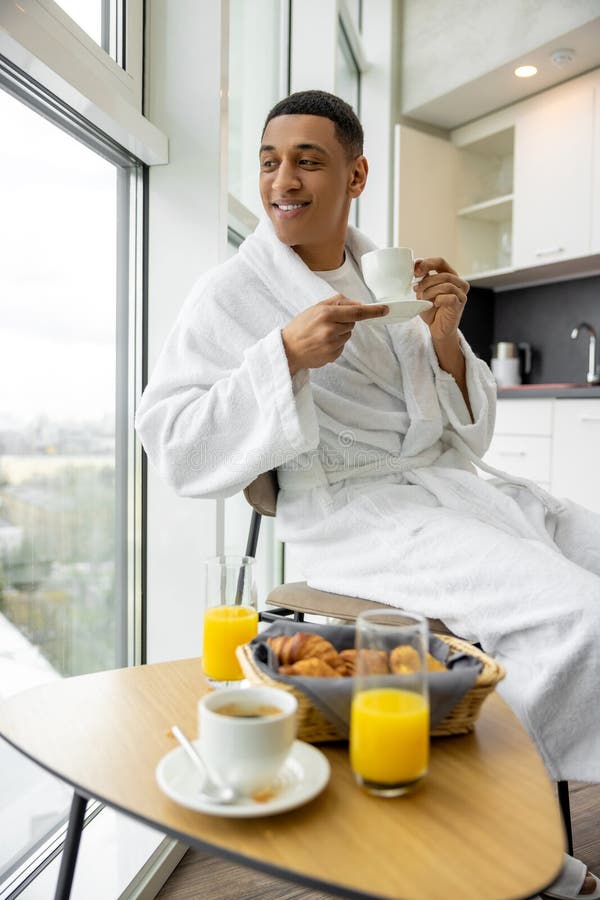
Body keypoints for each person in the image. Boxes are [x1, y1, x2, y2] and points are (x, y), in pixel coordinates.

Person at [136, 91, 600, 897]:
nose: (284, 179)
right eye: (271, 160)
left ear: (355, 174)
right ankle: (497, 835)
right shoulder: (229, 296)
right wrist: (282, 353)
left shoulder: (386, 272)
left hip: (450, 493)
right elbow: (172, 439)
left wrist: (445, 337)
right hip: (356, 514)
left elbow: (462, 430)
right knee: (582, 619)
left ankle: (490, 800)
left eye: (308, 160)